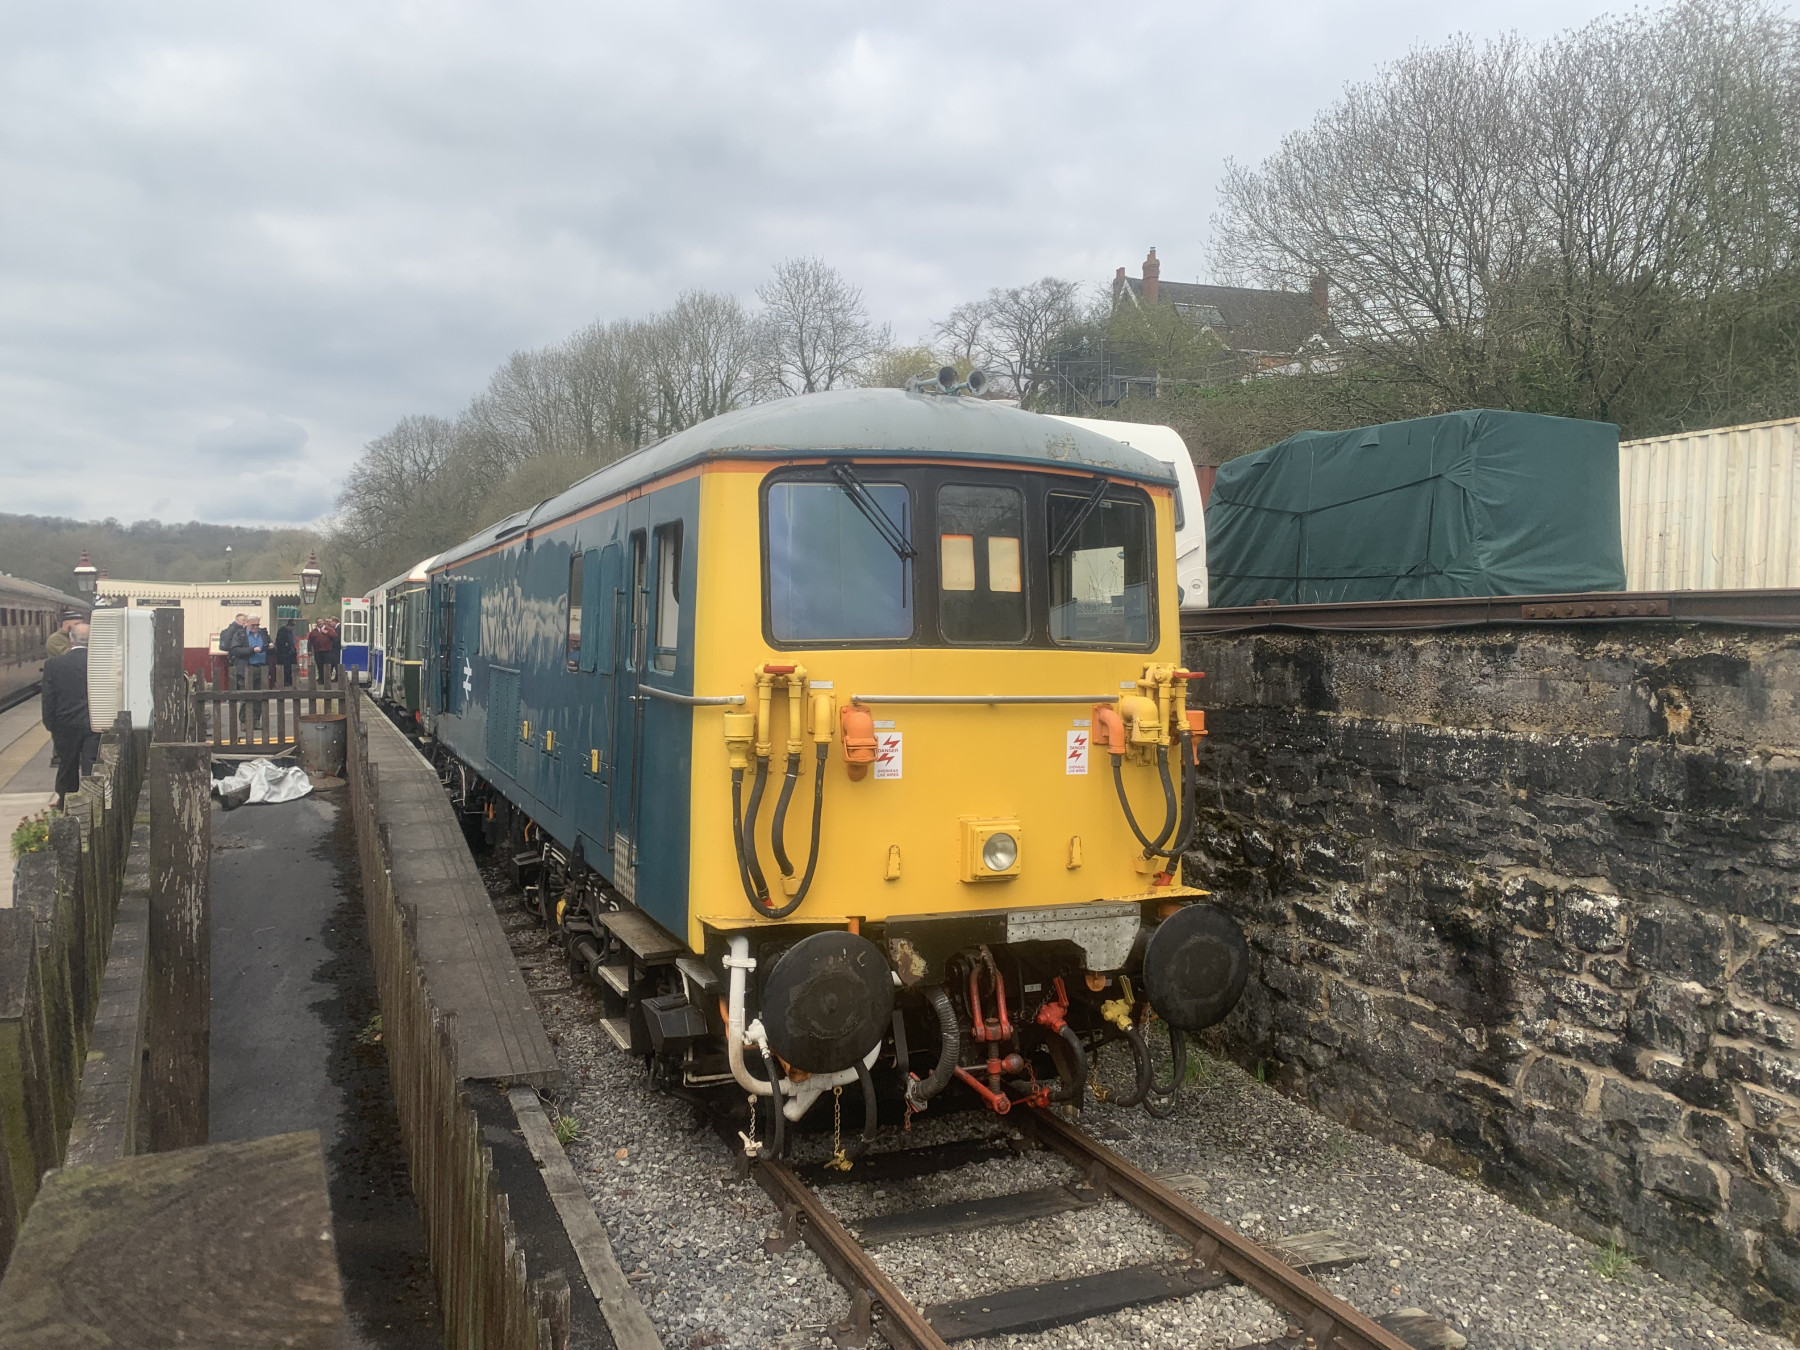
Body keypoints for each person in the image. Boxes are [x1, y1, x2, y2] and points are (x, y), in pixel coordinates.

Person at [41, 621, 99, 810]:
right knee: (91, 764)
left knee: (67, 765)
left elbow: (49, 698)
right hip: (94, 723)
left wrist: (50, 724)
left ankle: (66, 804)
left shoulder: (54, 665)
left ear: (70, 639)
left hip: (64, 724)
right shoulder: (99, 662)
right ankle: (93, 803)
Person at [308, 620, 333, 685]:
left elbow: (335, 636)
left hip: (327, 651)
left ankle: (327, 680)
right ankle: (321, 679)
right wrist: (309, 650)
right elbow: (310, 642)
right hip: (318, 651)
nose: (320, 623)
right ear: (317, 624)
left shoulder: (328, 629)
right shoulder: (313, 632)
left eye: (321, 622)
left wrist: (327, 633)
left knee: (327, 665)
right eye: (319, 622)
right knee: (319, 666)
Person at [274, 619, 298, 689]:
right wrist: (287, 648)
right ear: (290, 626)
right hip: (284, 654)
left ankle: (290, 680)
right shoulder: (282, 631)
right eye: (293, 627)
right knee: (285, 668)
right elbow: (280, 643)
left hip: (291, 654)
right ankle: (285, 681)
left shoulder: (290, 632)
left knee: (290, 668)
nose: (293, 629)